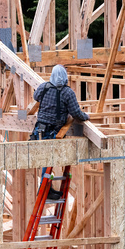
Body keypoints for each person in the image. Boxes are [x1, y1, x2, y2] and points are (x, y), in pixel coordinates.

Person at [31, 65, 90, 199]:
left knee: (46, 159)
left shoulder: (44, 87)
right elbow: (76, 113)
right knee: (48, 159)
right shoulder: (67, 92)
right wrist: (86, 116)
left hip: (40, 128)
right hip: (54, 130)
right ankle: (45, 190)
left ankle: (46, 188)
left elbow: (36, 97)